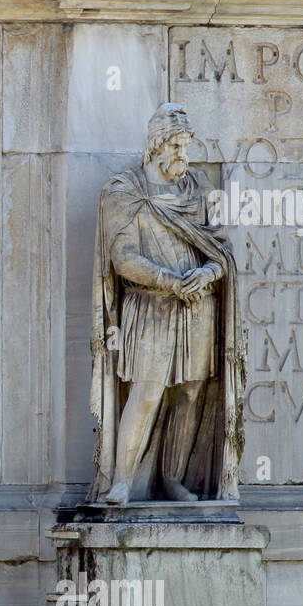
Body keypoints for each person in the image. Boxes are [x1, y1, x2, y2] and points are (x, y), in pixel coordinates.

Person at [89, 103, 246, 506]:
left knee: (192, 392)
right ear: (156, 146)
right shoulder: (125, 192)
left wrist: (208, 273)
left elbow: (223, 252)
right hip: (151, 306)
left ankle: (173, 478)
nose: (183, 156)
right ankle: (121, 479)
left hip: (198, 308)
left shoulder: (197, 191)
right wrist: (171, 282)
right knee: (146, 392)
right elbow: (122, 259)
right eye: (176, 147)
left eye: (186, 147)